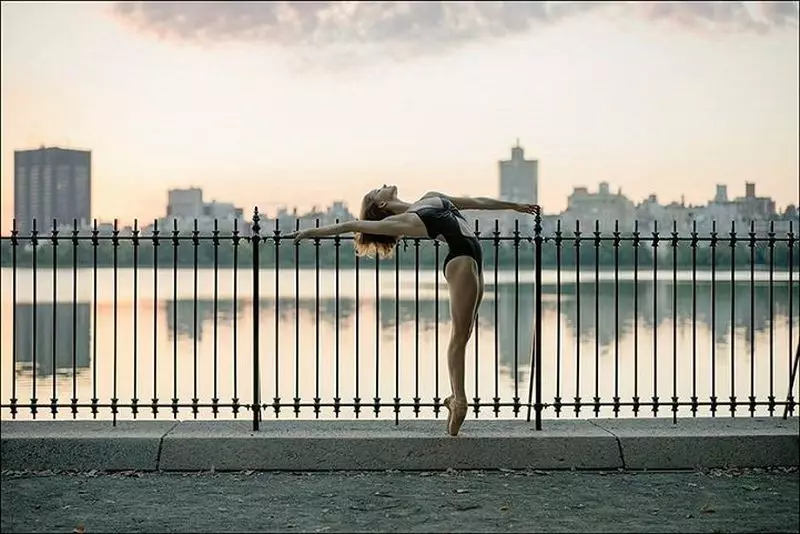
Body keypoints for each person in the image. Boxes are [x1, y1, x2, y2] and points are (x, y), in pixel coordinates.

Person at [290, 185, 540, 436]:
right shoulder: (405, 221)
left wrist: (513, 206)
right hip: (460, 262)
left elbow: (476, 201)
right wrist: (310, 232)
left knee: (466, 333)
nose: (382, 185)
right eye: (376, 191)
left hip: (475, 260)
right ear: (381, 205)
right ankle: (460, 400)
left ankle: (454, 401)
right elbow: (352, 226)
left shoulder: (432, 197)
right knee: (458, 337)